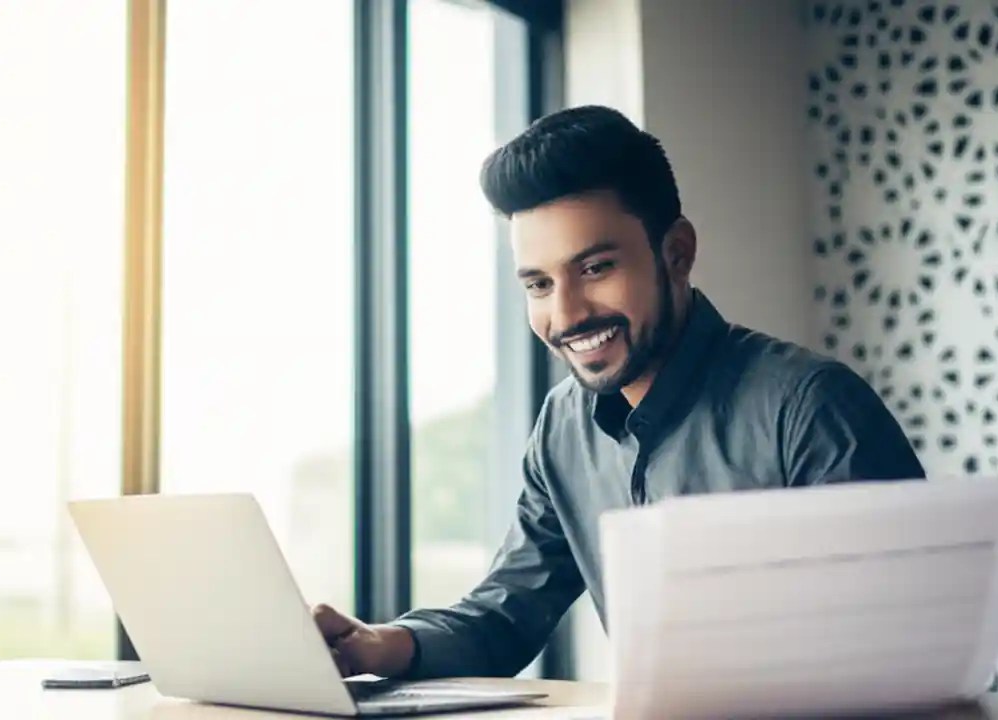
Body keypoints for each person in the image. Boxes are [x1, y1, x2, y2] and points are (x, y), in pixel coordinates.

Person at [311, 105, 925, 680]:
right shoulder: (563, 425)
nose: (567, 312)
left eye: (595, 268)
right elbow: (506, 616)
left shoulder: (812, 407)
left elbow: (907, 646)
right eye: (538, 284)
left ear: (677, 253)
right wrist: (381, 644)